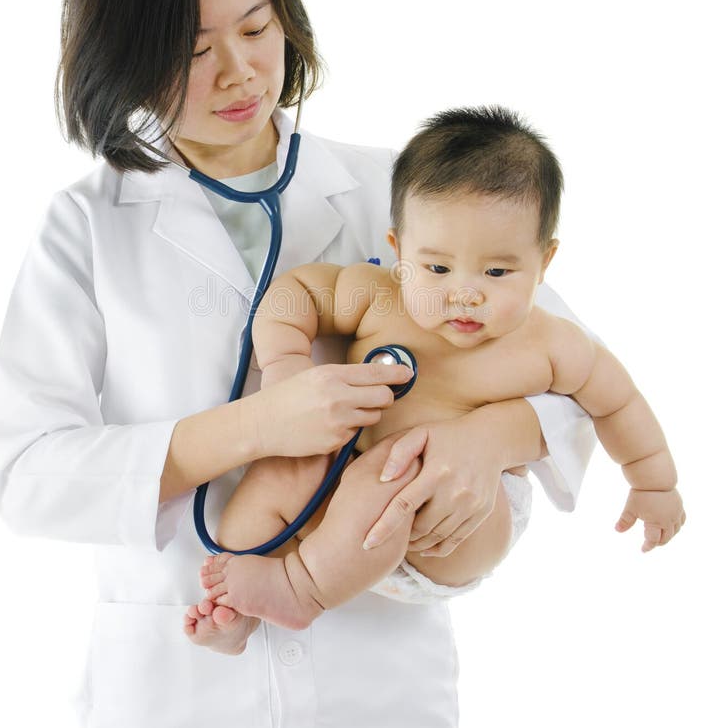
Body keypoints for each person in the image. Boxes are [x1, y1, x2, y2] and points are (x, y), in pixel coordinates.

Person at [0, 0, 595, 728]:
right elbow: (27, 475)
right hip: (178, 681)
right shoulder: (85, 228)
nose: (238, 74)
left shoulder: (402, 190)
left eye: (256, 29)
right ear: (122, 55)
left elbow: (579, 381)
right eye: (192, 51)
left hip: (379, 678)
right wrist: (255, 428)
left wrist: (486, 437)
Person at [198, 106, 686, 631]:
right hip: (341, 519)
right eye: (436, 268)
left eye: (497, 271)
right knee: (281, 472)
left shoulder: (552, 345)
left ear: (544, 262)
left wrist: (654, 484)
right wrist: (285, 365)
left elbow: (620, 403)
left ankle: (300, 591)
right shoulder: (378, 296)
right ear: (398, 250)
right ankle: (236, 615)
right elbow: (295, 296)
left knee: (390, 469)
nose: (465, 293)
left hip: (456, 530)